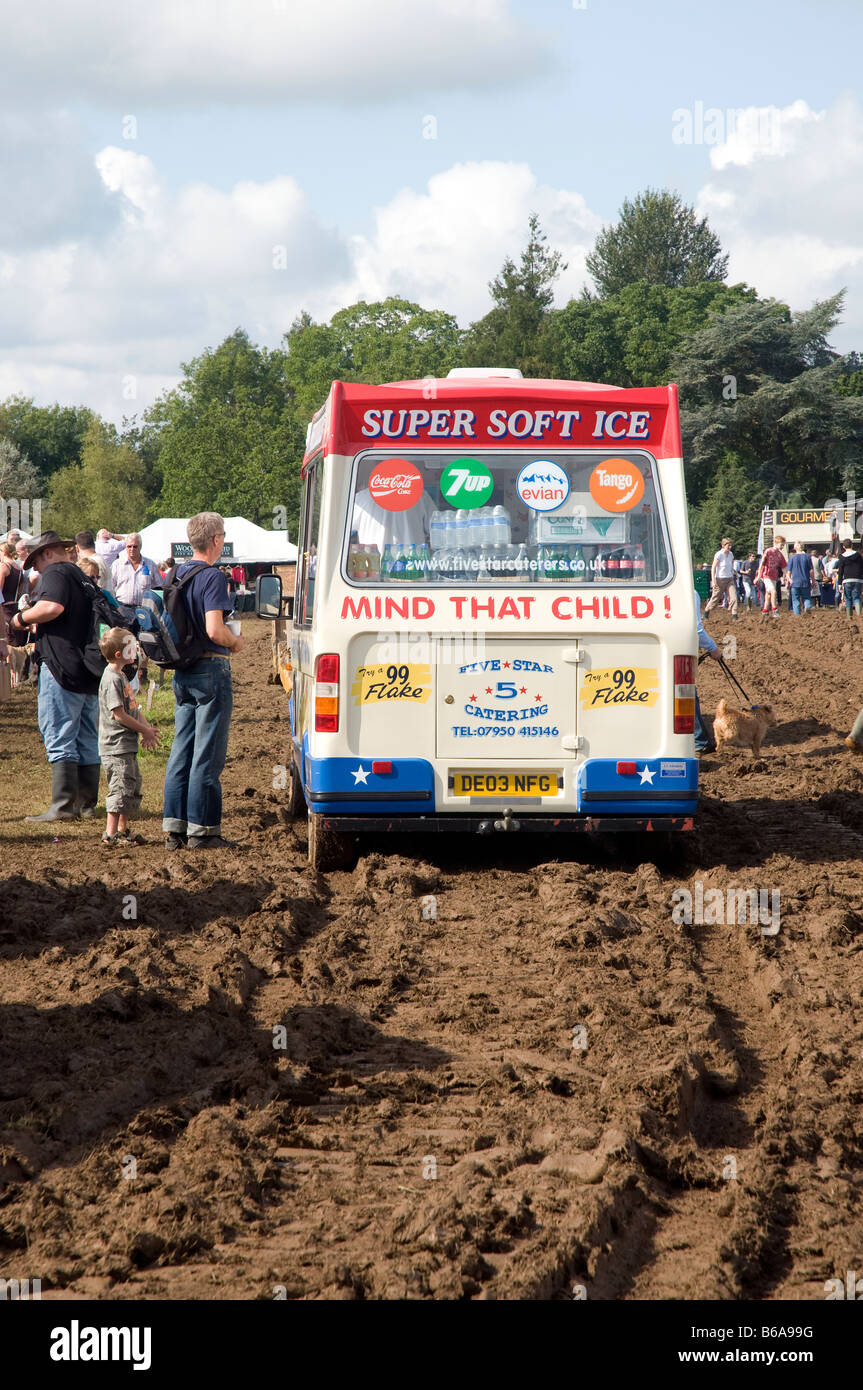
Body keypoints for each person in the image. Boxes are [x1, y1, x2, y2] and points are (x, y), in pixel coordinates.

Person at [162, 512, 244, 851]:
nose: (223, 540)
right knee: (207, 755)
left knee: (181, 750)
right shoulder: (211, 577)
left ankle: (175, 829)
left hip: (183, 670)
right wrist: (235, 642)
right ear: (214, 540)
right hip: (211, 668)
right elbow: (214, 629)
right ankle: (203, 830)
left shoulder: (175, 573)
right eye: (222, 535)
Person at [8, 531, 102, 821]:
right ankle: (85, 806)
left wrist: (20, 618)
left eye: (35, 562)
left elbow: (52, 608)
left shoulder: (57, 573)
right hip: (88, 666)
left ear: (48, 553)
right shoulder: (82, 576)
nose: (35, 569)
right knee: (87, 736)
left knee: (59, 731)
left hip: (61, 665)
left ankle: (61, 806)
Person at [98, 627, 159, 846]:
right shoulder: (111, 678)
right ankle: (110, 834)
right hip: (116, 746)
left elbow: (133, 707)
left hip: (127, 744)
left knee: (131, 785)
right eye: (132, 648)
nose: (136, 651)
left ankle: (123, 830)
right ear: (118, 654)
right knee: (120, 787)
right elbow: (119, 714)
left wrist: (147, 728)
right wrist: (143, 730)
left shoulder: (122, 675)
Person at [111, 533, 159, 631]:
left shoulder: (150, 564)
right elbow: (110, 587)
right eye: (129, 546)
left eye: (135, 546)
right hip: (123, 609)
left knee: (144, 640)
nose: (132, 549)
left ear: (140, 547)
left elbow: (158, 587)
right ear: (125, 547)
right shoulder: (117, 565)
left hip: (144, 610)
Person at [694, 588, 721, 752]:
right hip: (676, 650)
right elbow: (696, 628)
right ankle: (699, 740)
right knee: (686, 692)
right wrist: (712, 648)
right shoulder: (689, 592)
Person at [705, 538, 738, 618]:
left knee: (733, 597)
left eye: (730, 545)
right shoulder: (719, 554)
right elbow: (713, 568)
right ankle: (706, 612)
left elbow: (730, 565)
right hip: (720, 579)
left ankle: (734, 616)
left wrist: (734, 571)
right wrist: (713, 581)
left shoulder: (731, 554)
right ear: (723, 545)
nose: (730, 547)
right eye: (728, 545)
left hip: (729, 579)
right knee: (715, 598)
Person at [756, 534, 787, 617]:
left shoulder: (780, 555)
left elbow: (784, 567)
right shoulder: (768, 551)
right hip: (766, 575)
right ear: (776, 543)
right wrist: (759, 575)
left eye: (783, 545)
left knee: (769, 594)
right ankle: (774, 610)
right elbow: (762, 563)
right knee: (773, 591)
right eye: (781, 544)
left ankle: (765, 610)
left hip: (774, 576)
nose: (782, 546)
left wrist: (787, 577)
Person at [787, 541, 815, 615]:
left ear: (795, 547)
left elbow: (788, 572)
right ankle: (807, 611)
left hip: (795, 582)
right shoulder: (807, 557)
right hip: (805, 581)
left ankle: (797, 615)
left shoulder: (792, 558)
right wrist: (813, 581)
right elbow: (811, 571)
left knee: (795, 600)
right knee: (807, 598)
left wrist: (789, 580)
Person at [837, 541, 863, 617]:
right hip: (858, 579)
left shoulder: (842, 557)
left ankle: (849, 616)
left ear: (843, 547)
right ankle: (859, 615)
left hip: (847, 579)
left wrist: (839, 583)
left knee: (848, 598)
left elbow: (840, 571)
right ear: (852, 545)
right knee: (857, 597)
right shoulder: (858, 555)